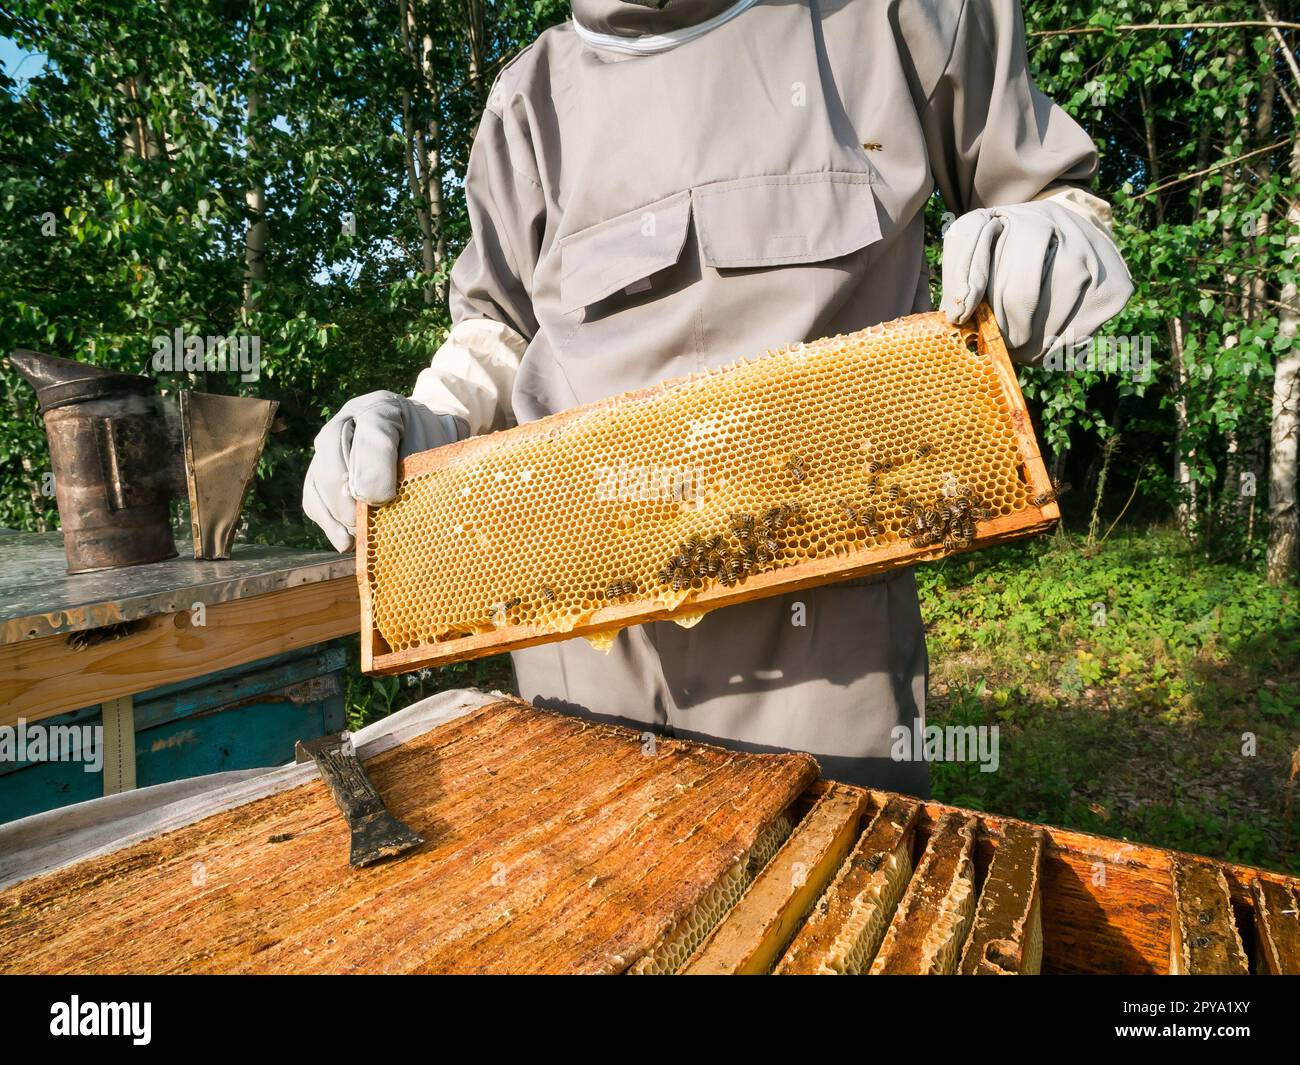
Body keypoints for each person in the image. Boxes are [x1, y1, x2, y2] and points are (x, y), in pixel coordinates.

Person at [304, 0, 1132, 793]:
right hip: (577, 652)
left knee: (827, 917)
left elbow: (1046, 191)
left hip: (827, 658)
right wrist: (428, 415)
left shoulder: (901, 14)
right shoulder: (528, 101)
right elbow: (497, 333)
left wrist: (1049, 234)